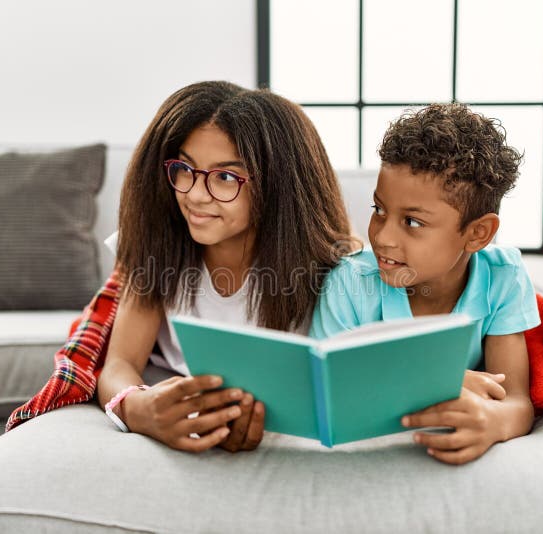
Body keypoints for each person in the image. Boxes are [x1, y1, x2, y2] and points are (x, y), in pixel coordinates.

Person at [97, 81, 354, 453]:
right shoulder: (157, 243)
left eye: (226, 177)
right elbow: (119, 363)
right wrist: (138, 408)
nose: (195, 195)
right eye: (184, 168)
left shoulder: (335, 268)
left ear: (278, 186)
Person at [310, 103, 540, 465]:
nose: (382, 237)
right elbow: (329, 390)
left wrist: (495, 422)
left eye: (413, 222)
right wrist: (434, 384)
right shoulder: (349, 282)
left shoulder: (504, 275)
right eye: (378, 210)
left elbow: (515, 400)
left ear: (478, 233)